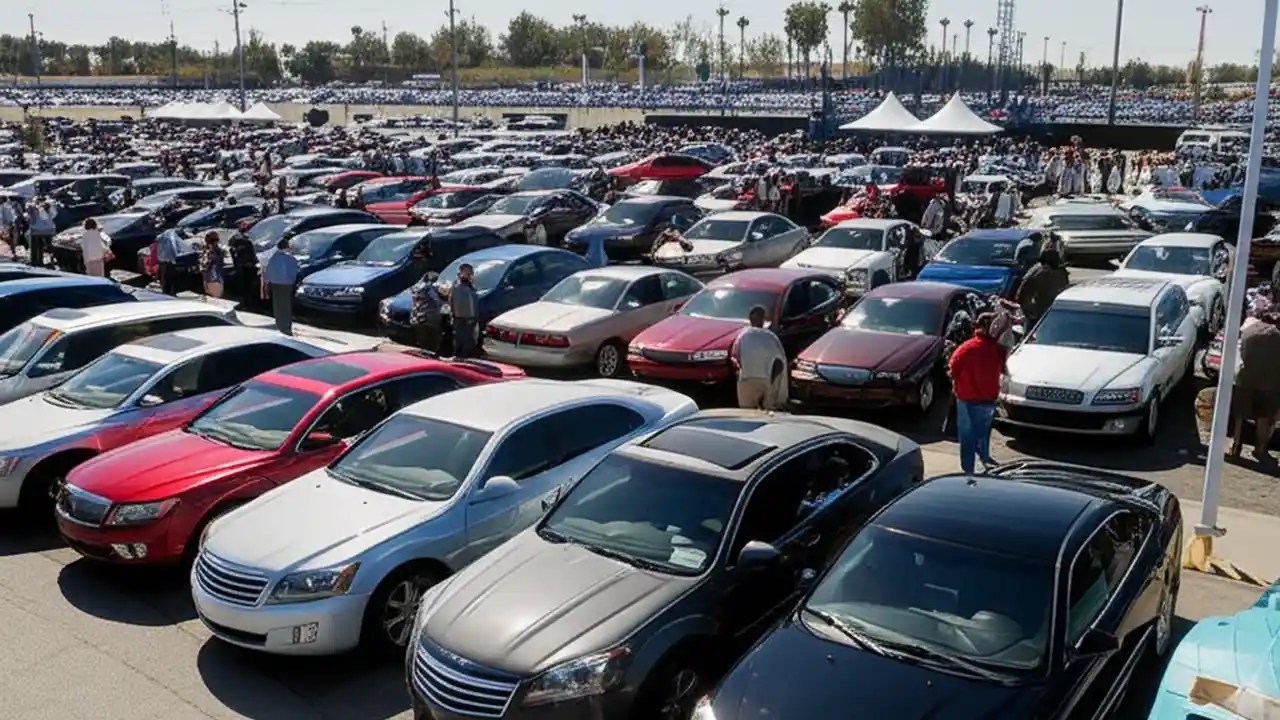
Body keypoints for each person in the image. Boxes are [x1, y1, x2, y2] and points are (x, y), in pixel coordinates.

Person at [947, 312, 1009, 474]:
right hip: (988, 398)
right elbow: (1004, 369)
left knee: (967, 436)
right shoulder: (997, 350)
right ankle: (984, 458)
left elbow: (953, 367)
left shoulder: (966, 348)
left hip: (966, 398)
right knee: (983, 431)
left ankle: (968, 469)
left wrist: (958, 382)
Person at [1230, 310, 1280, 463]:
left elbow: (1243, 354)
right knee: (1263, 418)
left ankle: (1235, 445)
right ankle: (1259, 449)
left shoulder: (1249, 331)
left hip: (1245, 379)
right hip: (1268, 384)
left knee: (1240, 415)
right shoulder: (1277, 336)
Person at [730, 306, 788, 410]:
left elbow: (735, 357)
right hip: (767, 379)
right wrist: (774, 386)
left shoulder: (743, 336)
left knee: (747, 411)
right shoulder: (771, 337)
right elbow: (780, 363)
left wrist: (739, 371)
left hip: (748, 379)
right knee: (767, 411)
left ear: (749, 319)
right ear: (763, 319)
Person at [1015, 248, 1070, 329]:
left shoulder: (1060, 271)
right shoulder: (1039, 273)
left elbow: (1065, 287)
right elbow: (1022, 294)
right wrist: (1030, 311)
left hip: (1057, 311)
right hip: (1040, 313)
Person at [262, 237, 300, 335]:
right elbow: (295, 271)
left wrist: (268, 281)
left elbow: (267, 270)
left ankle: (280, 325)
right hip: (287, 284)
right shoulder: (291, 259)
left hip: (276, 283)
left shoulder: (272, 258)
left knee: (278, 305)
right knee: (286, 305)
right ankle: (287, 326)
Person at [450, 263, 480, 358]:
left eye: (470, 273)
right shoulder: (458, 286)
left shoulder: (470, 286)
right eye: (468, 273)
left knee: (469, 338)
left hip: (470, 317)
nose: (470, 275)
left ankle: (464, 356)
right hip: (461, 317)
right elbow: (453, 300)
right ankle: (459, 355)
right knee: (461, 337)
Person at [26, 199, 56, 269]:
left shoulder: (33, 208)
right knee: (49, 247)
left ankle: (35, 261)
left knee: (36, 247)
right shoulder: (50, 209)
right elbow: (54, 216)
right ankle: (50, 261)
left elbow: (30, 218)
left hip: (36, 230)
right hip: (49, 230)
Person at [155, 224, 180, 295]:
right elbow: (170, 251)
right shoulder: (169, 239)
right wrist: (173, 260)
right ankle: (170, 292)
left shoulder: (160, 238)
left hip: (162, 261)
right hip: (168, 262)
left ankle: (165, 291)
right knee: (170, 277)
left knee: (164, 278)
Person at [199, 232, 226, 298]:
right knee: (214, 295)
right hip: (212, 276)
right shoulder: (208, 250)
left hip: (211, 275)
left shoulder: (209, 249)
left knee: (212, 294)